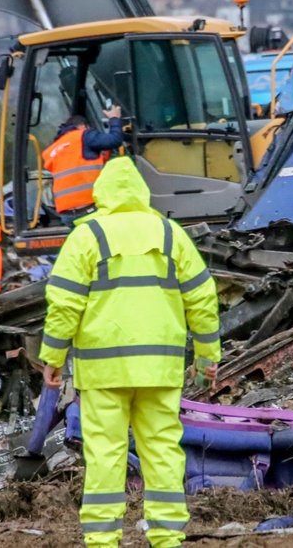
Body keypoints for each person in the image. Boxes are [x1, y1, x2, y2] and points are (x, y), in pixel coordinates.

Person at [40, 156, 220, 548]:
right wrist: (207, 356)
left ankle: (102, 540)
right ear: (142, 191)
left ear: (100, 193)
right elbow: (203, 298)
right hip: (160, 369)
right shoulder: (171, 234)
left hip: (104, 371)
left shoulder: (87, 236)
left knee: (105, 454)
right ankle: (167, 538)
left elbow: (64, 304)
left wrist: (53, 357)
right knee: (162, 450)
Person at [42, 105, 126, 224]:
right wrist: (114, 119)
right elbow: (114, 140)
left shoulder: (52, 150)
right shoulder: (83, 135)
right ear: (83, 126)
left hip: (66, 214)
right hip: (89, 208)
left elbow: (82, 162)